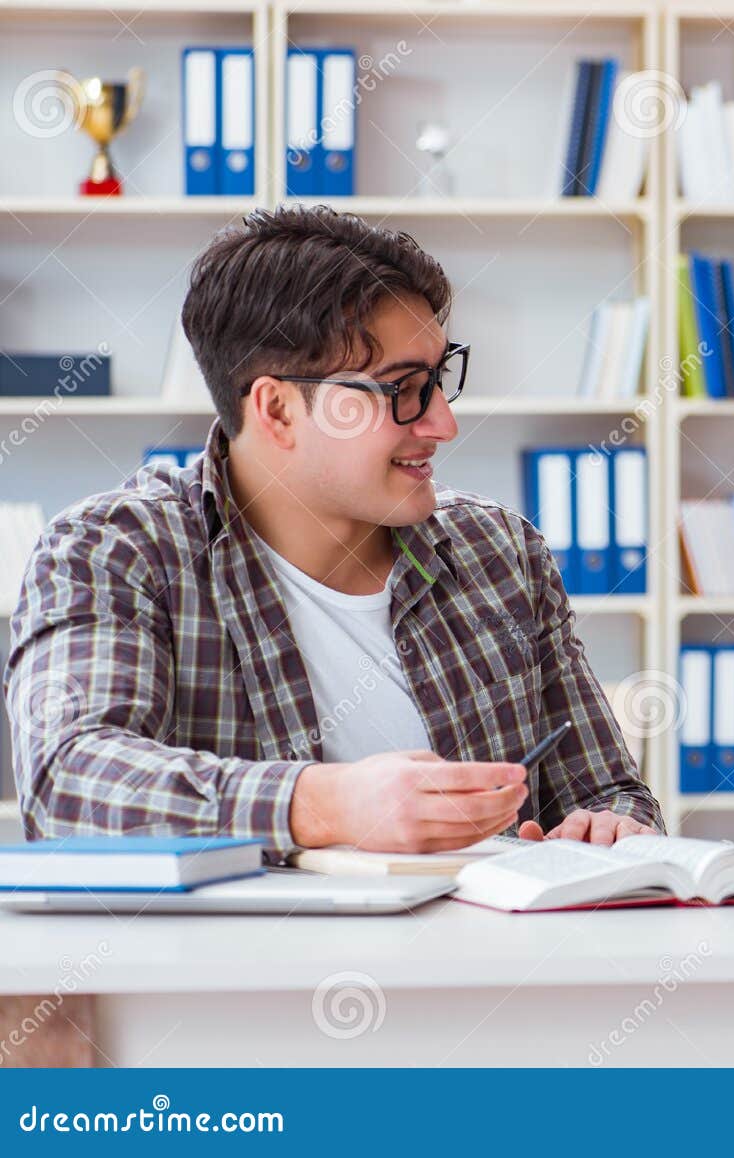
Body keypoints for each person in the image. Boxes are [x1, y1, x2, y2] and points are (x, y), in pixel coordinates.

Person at [4, 205, 661, 859]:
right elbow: (65, 785)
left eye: (439, 380)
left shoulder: (503, 553)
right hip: (242, 966)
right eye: (402, 389)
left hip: (489, 961)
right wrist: (327, 805)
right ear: (278, 409)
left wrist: (611, 827)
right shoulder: (110, 551)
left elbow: (608, 793)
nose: (442, 424)